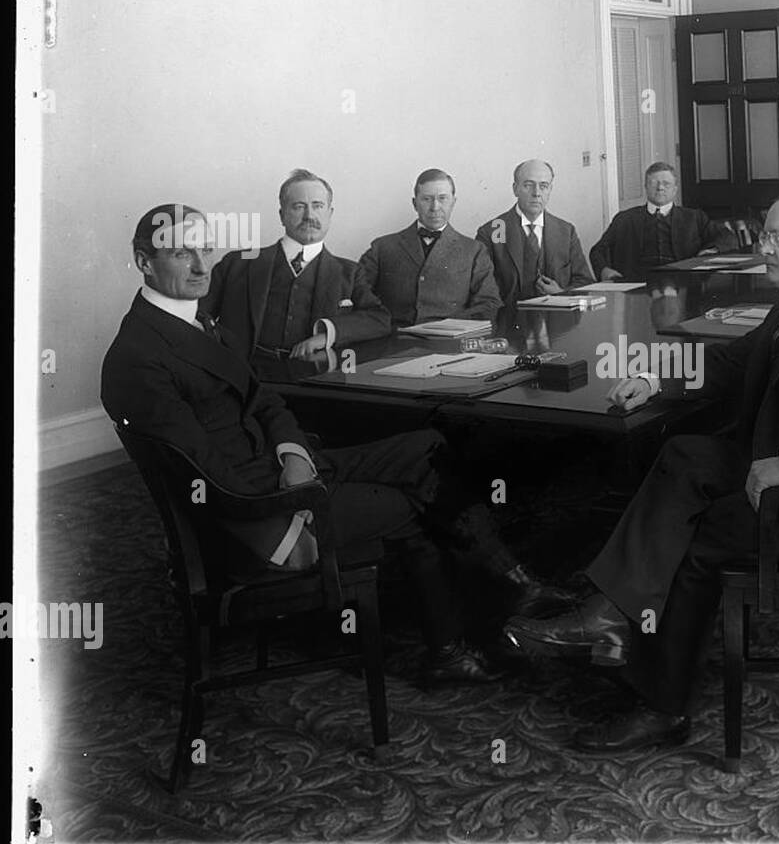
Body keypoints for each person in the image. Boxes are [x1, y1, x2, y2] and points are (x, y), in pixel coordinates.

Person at [504, 192, 779, 751]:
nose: (763, 248)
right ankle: (611, 611)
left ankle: (663, 704)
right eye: (764, 235)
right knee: (684, 455)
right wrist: (657, 378)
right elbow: (731, 360)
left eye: (778, 238)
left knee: (695, 532)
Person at [103, 204, 558, 682]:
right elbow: (206, 476)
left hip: (282, 473)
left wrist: (294, 454)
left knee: (427, 447)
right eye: (180, 253)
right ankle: (458, 640)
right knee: (413, 503)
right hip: (262, 517)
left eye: (204, 249)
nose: (201, 267)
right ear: (143, 261)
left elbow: (267, 403)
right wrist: (294, 492)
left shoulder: (194, 323)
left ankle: (510, 586)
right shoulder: (139, 356)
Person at [200, 168, 390, 360]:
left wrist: (328, 335)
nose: (309, 215)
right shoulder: (237, 264)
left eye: (317, 206)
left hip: (316, 380)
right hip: (242, 376)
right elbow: (197, 315)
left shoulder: (349, 272)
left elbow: (380, 319)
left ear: (329, 214)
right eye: (299, 206)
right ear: (282, 215)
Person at [358, 169, 501, 326]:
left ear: (453, 202)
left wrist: (450, 328)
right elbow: (358, 294)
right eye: (427, 199)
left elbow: (489, 304)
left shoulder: (474, 251)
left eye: (442, 198)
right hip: (392, 340)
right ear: (415, 203)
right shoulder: (382, 247)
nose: (435, 207)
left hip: (449, 342)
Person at [589, 162, 737, 282]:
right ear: (646, 188)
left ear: (675, 189)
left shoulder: (694, 217)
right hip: (637, 287)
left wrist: (711, 251)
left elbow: (726, 238)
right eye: (654, 183)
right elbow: (597, 251)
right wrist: (604, 270)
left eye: (666, 184)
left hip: (684, 283)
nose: (660, 188)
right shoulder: (625, 219)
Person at [475, 159, 594, 303]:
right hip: (510, 321)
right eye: (528, 185)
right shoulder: (493, 231)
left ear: (550, 189)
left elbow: (585, 283)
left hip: (556, 321)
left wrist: (561, 294)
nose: (536, 193)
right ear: (515, 189)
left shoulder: (566, 231)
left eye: (543, 186)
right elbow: (482, 290)